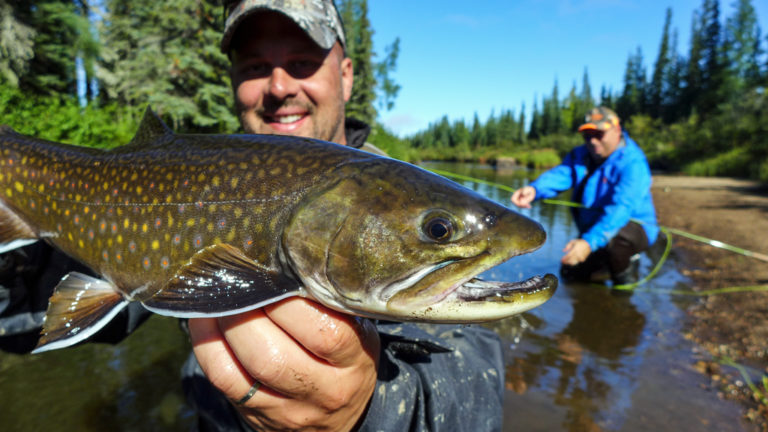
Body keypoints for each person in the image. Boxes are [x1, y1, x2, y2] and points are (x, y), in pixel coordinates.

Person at [0, 1, 506, 431]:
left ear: (346, 75)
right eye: (254, 66)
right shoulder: (187, 178)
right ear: (234, 81)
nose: (279, 85)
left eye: (303, 61)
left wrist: (368, 412)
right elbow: (33, 309)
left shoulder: (411, 202)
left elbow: (473, 387)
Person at [511, 107, 658, 285]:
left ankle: (625, 282)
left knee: (617, 245)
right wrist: (534, 190)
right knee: (570, 272)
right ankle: (602, 269)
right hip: (595, 227)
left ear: (617, 130)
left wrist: (588, 243)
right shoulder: (581, 154)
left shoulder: (633, 163)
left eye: (599, 134)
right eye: (587, 135)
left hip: (631, 227)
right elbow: (563, 174)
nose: (593, 140)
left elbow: (621, 209)